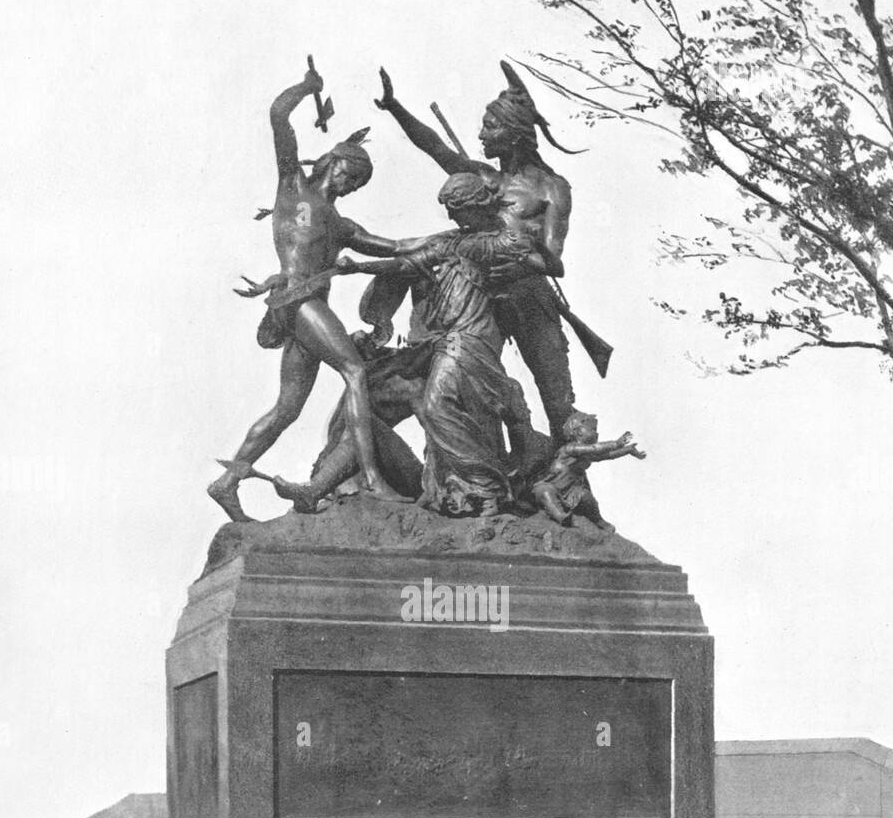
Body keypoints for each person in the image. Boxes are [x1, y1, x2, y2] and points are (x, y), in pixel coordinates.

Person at [208, 64, 417, 521]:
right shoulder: (295, 193)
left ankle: (227, 482)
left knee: (287, 409)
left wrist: (447, 240)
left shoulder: (342, 225)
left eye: (358, 183)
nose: (351, 184)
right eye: (350, 173)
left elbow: (398, 247)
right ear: (333, 160)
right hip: (299, 304)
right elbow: (279, 117)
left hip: (304, 310)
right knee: (356, 372)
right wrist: (306, 88)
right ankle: (375, 481)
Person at [375, 61, 609, 445]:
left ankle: (571, 488)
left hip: (529, 299)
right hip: (478, 301)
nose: (482, 135)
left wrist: (508, 254)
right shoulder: (484, 178)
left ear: (515, 134)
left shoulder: (552, 188)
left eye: (491, 126)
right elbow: (434, 146)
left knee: (558, 401)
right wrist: (395, 106)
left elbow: (554, 260)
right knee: (466, 389)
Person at [325, 172, 542, 517]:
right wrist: (357, 267)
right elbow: (404, 261)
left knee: (438, 406)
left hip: (470, 340)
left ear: (474, 206)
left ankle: (485, 483)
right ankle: (462, 486)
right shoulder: (450, 243)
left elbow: (543, 261)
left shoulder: (489, 242)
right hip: (446, 343)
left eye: (456, 210)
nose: (452, 218)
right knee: (436, 407)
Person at [531, 413, 646, 531]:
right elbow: (595, 448)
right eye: (593, 429)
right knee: (545, 491)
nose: (596, 433)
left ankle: (599, 520)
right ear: (578, 432)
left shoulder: (586, 454)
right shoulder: (570, 448)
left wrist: (628, 450)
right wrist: (616, 444)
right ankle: (561, 516)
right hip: (552, 485)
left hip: (571, 491)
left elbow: (607, 455)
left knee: (586, 497)